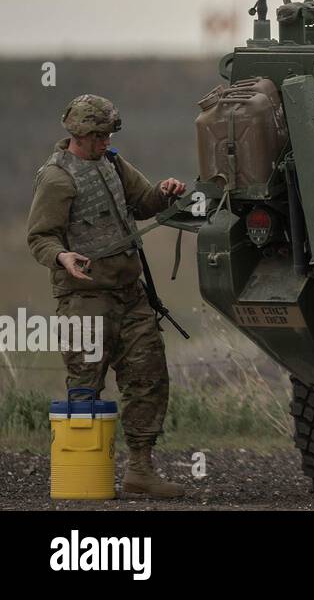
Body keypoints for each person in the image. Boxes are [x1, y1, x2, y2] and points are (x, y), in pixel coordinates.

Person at [26, 94, 188, 498]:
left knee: (147, 376)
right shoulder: (56, 178)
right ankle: (83, 474)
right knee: (85, 383)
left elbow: (143, 202)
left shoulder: (114, 164)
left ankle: (140, 469)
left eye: (109, 135)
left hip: (130, 294)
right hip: (83, 297)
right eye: (99, 136)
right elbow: (39, 237)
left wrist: (165, 192)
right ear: (81, 134)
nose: (105, 142)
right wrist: (61, 256)